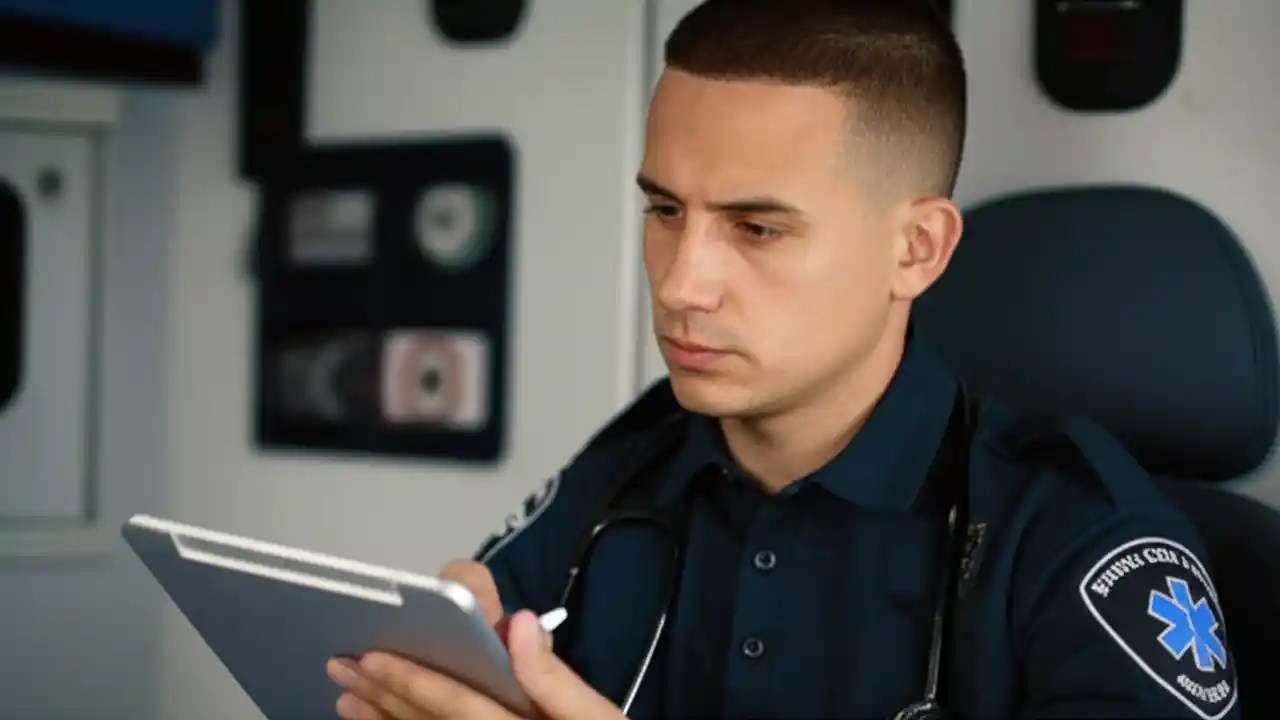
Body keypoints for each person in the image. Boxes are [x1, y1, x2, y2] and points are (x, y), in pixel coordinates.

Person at [325, 1, 1240, 717]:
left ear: (916, 250)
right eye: (664, 211)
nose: (683, 284)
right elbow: (487, 602)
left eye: (756, 228)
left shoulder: (1078, 544)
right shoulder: (642, 457)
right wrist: (448, 639)